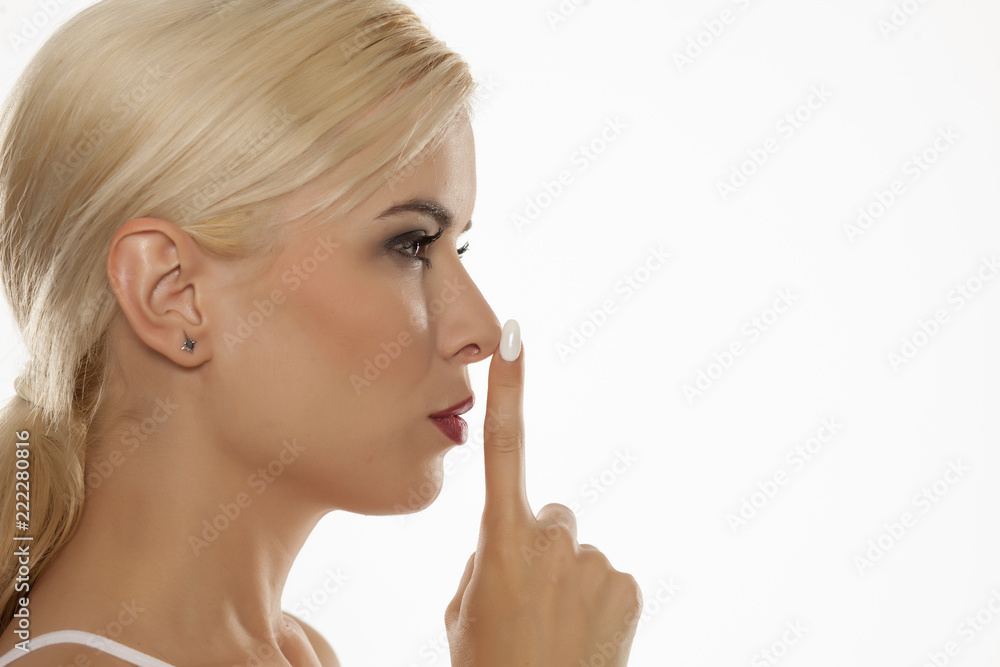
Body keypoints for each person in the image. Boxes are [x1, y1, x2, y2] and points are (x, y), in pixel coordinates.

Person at [0, 0, 642, 665]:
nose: (478, 328)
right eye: (410, 245)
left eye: (460, 248)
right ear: (173, 293)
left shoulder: (300, 651)